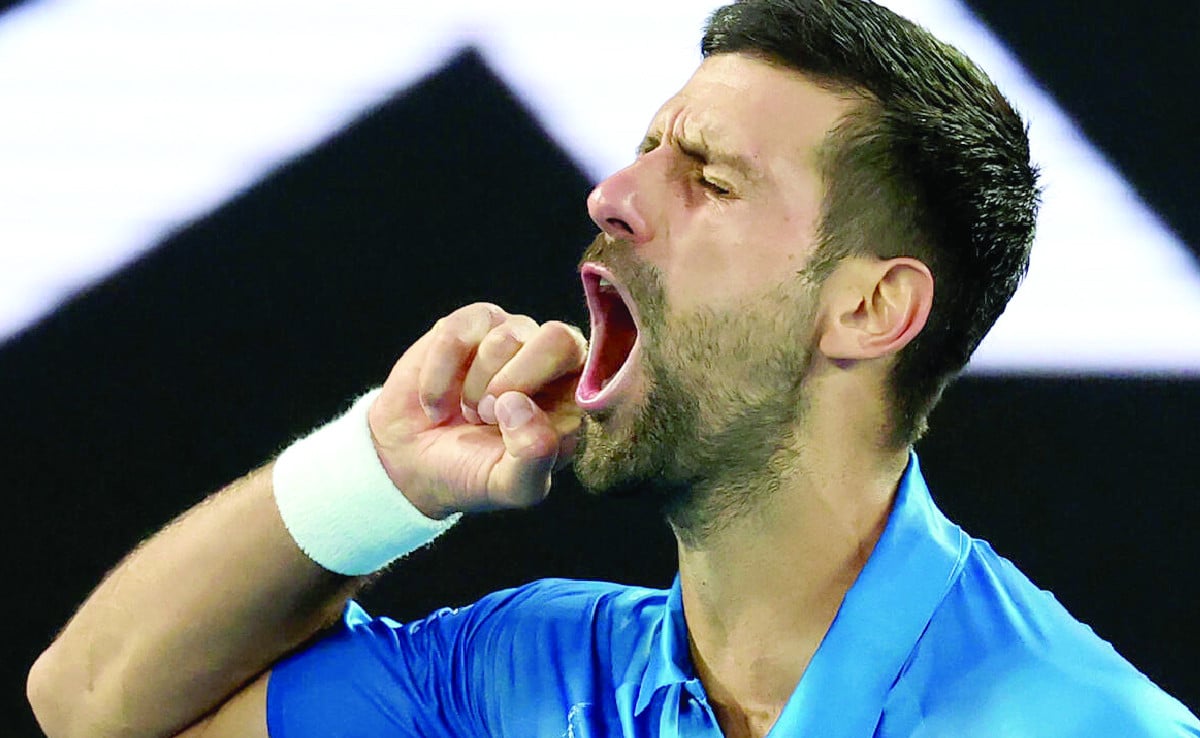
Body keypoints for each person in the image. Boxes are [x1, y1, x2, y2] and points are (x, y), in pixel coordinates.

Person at [26, 1, 1200, 736]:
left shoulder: (1078, 723)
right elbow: (91, 708)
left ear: (869, 307)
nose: (613, 196)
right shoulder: (521, 675)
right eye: (646, 149)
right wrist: (377, 476)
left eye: (709, 177)